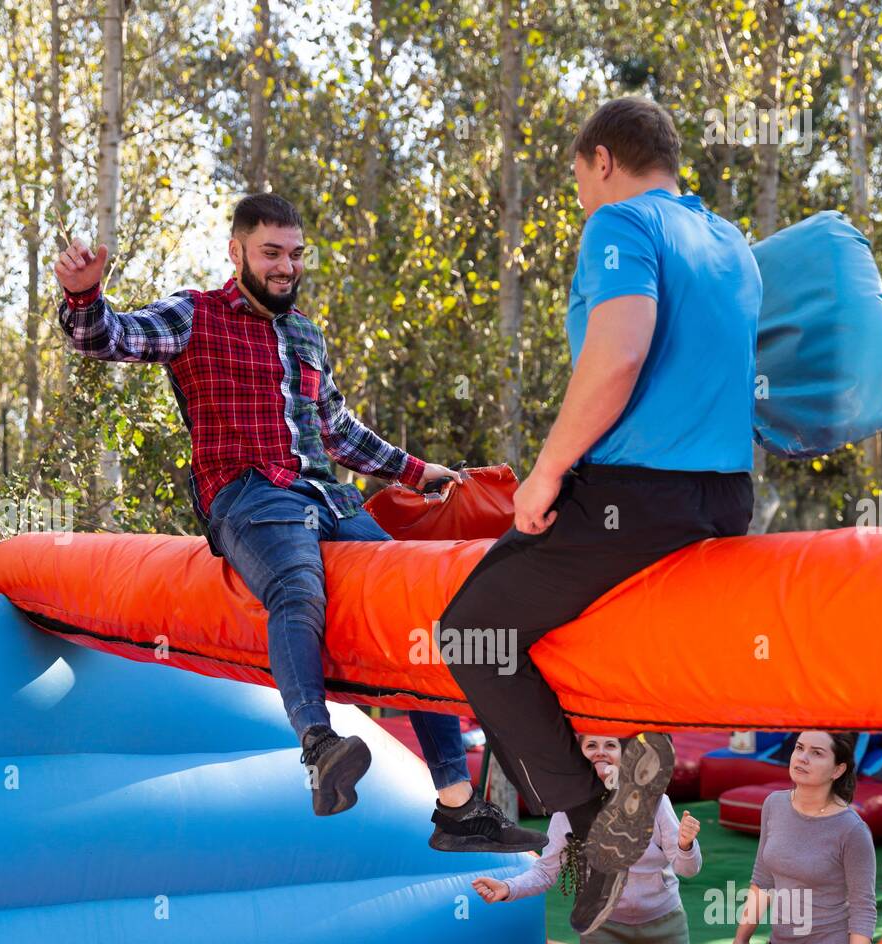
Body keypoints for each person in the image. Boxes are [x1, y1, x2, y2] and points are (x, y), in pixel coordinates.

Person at [53, 192, 545, 856]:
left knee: (411, 605)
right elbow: (108, 337)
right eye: (270, 254)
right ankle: (318, 746)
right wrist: (84, 297)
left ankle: (458, 808)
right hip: (247, 496)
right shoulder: (195, 315)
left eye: (294, 255)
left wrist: (416, 471)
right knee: (297, 586)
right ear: (237, 252)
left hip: (331, 501)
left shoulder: (307, 334)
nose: (285, 267)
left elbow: (338, 430)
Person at [439, 96, 762, 933]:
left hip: (638, 494)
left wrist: (544, 475)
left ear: (602, 161)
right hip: (725, 497)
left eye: (577, 177)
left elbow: (618, 355)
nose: (580, 194)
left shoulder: (621, 224)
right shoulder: (731, 244)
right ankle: (604, 781)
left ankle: (587, 823)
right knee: (592, 624)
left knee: (471, 630)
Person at [473, 734, 702, 944]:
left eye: (610, 746)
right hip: (601, 925)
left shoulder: (655, 802)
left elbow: (687, 869)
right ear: (580, 756)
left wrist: (686, 844)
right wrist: (509, 887)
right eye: (591, 746)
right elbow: (546, 872)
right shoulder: (567, 812)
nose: (600, 753)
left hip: (662, 921)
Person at [724, 731, 877, 944]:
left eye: (817, 753)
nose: (802, 758)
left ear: (838, 769)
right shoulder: (774, 805)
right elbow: (763, 878)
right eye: (799, 748)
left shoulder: (852, 831)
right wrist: (742, 939)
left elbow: (863, 909)